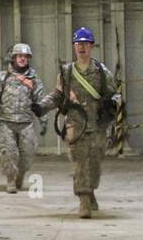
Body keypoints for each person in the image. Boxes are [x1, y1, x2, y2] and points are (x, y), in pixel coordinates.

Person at [39, 27, 120, 218]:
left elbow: (116, 95)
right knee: (79, 164)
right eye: (78, 43)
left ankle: (90, 190)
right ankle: (83, 199)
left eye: (84, 43)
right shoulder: (66, 73)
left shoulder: (101, 71)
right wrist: (41, 107)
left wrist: (112, 102)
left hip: (98, 126)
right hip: (75, 126)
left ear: (91, 46)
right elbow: (57, 95)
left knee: (95, 165)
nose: (81, 47)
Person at [0, 43, 52, 193]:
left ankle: (20, 174)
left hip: (25, 122)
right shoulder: (3, 77)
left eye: (25, 57)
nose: (22, 59)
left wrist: (43, 120)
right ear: (13, 58)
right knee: (9, 153)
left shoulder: (33, 79)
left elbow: (41, 101)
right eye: (19, 56)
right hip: (5, 122)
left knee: (28, 152)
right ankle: (11, 179)